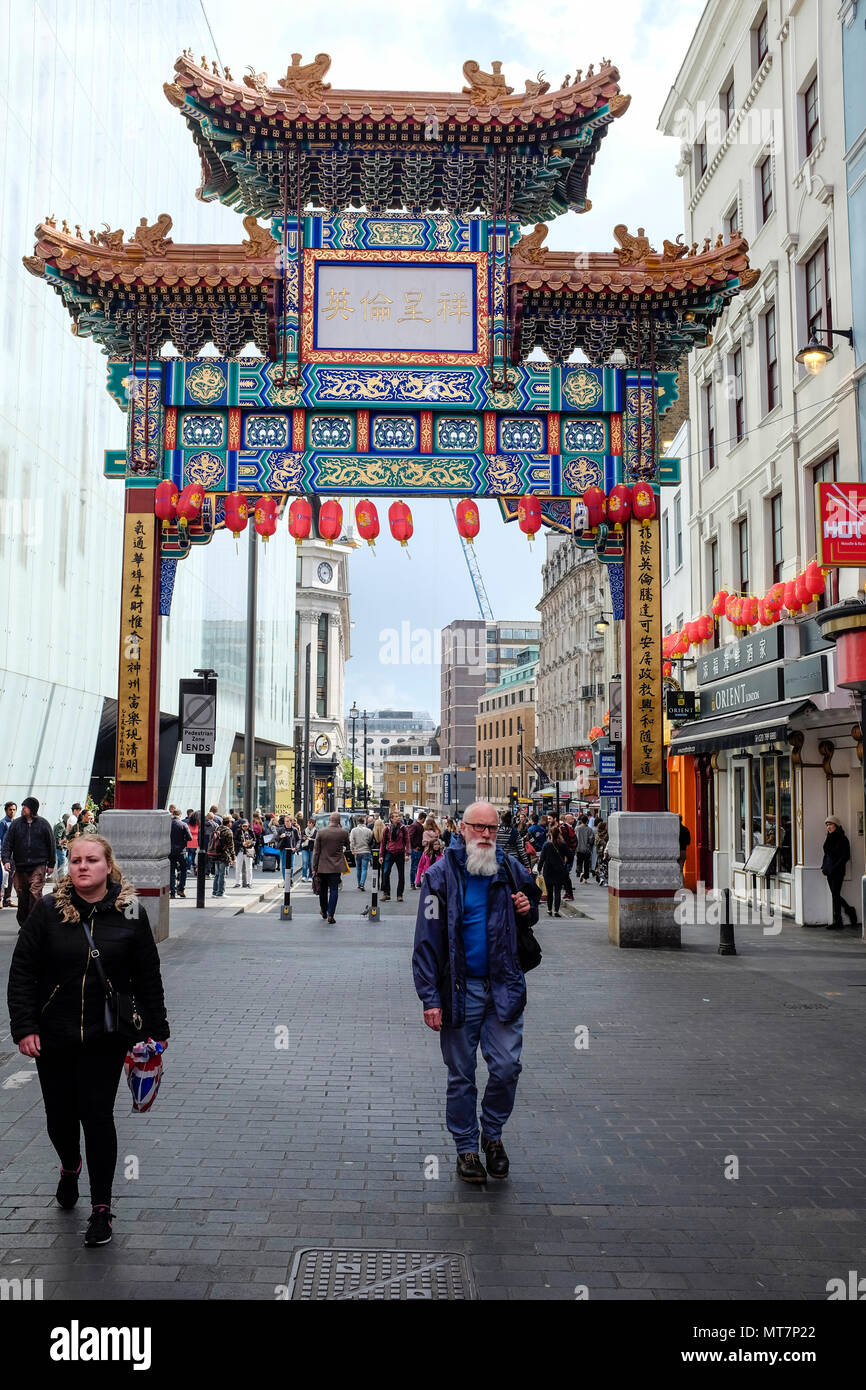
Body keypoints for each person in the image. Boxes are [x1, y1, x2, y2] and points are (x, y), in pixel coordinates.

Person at [6, 834, 169, 1248]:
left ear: (107, 865)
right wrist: (25, 1028)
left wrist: (157, 1031)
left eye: (91, 860)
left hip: (105, 1036)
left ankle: (101, 1208)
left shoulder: (130, 911)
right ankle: (69, 1164)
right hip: (53, 1036)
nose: (82, 866)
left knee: (97, 1117)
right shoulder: (46, 911)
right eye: (76, 860)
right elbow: (22, 972)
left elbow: (148, 974)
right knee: (60, 1119)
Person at [412, 801, 540, 1184]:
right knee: (461, 1075)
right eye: (478, 828)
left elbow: (533, 908)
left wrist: (525, 906)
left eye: (491, 829)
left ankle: (493, 1134)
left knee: (506, 1068)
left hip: (503, 986)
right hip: (458, 991)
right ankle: (467, 1147)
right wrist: (430, 998)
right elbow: (427, 941)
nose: (486, 835)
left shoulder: (509, 868)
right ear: (462, 829)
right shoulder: (439, 877)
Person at [1, 797, 55, 926]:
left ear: (32, 809)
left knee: (35, 893)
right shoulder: (16, 824)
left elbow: (51, 844)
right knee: (22, 896)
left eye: (25, 807)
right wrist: (6, 860)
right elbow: (8, 843)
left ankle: (34, 924)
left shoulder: (43, 824)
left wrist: (51, 864)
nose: (22, 809)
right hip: (20, 866)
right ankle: (24, 924)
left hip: (38, 865)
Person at [312, 812, 351, 923]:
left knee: (323, 890)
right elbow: (348, 845)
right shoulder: (343, 832)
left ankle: (324, 911)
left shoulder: (321, 832)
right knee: (334, 890)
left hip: (322, 867)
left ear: (329, 819)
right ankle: (331, 914)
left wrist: (314, 867)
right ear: (339, 821)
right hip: (336, 867)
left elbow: (316, 852)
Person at [822, 816, 858, 930]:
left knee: (835, 894)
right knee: (835, 895)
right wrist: (824, 867)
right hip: (829, 871)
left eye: (830, 825)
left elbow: (845, 856)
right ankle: (848, 911)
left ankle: (839, 920)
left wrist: (835, 867)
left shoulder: (842, 839)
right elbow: (827, 854)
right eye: (827, 825)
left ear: (836, 826)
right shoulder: (829, 837)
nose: (828, 827)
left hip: (837, 871)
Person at [537, 824, 570, 917]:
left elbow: (542, 858)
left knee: (549, 891)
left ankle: (549, 909)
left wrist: (539, 868)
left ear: (550, 834)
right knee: (558, 891)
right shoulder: (563, 844)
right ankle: (556, 910)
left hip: (548, 871)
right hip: (559, 870)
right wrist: (565, 864)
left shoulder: (546, 845)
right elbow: (570, 856)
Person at [381, 809, 410, 902]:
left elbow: (407, 841)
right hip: (389, 852)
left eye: (399, 816)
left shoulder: (403, 828)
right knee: (385, 873)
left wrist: (407, 853)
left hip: (400, 853)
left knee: (401, 874)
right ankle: (386, 893)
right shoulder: (387, 829)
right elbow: (383, 842)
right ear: (391, 819)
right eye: (396, 816)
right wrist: (381, 855)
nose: (399, 818)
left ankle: (399, 895)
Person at [169, 809, 192, 899]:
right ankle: (181, 889)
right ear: (180, 815)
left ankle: (172, 892)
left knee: (171, 871)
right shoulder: (183, 824)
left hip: (170, 851)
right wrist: (183, 840)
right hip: (181, 851)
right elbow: (189, 838)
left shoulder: (168, 824)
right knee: (183, 870)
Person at [209, 818, 235, 897]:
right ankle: (220, 893)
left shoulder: (217, 828)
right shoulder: (228, 831)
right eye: (231, 822)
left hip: (215, 854)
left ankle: (214, 892)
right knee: (222, 874)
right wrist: (233, 857)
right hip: (224, 855)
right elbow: (231, 845)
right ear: (229, 823)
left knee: (217, 874)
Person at [350, 816, 374, 890]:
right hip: (366, 851)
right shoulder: (368, 830)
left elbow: (351, 841)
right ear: (364, 822)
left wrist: (352, 850)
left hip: (357, 851)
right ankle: (362, 883)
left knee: (358, 869)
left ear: (357, 822)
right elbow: (370, 840)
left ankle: (358, 883)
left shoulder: (353, 830)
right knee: (364, 869)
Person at [0, 801, 17, 907]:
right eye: (10, 809)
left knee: (11, 877)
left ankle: (8, 899)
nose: (12, 812)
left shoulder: (16, 823)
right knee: (3, 877)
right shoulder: (3, 823)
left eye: (14, 809)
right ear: (6, 810)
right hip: (5, 854)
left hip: (14, 854)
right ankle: (1, 899)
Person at [408, 813, 426, 890]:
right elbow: (410, 836)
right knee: (415, 867)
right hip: (416, 849)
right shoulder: (415, 825)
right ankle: (413, 882)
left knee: (418, 867)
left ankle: (417, 882)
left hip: (419, 849)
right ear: (423, 818)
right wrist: (414, 846)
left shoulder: (417, 825)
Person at [574, 816, 594, 886]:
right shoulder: (589, 829)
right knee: (586, 864)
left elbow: (574, 838)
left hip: (578, 848)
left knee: (579, 862)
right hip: (587, 849)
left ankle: (580, 872)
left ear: (581, 821)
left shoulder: (577, 828)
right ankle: (585, 878)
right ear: (587, 821)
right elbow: (591, 840)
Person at [53, 812, 70, 881]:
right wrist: (60, 846)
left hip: (62, 847)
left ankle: (59, 878)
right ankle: (61, 878)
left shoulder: (64, 825)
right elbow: (58, 837)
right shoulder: (61, 826)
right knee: (63, 862)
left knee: (60, 863)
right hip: (60, 848)